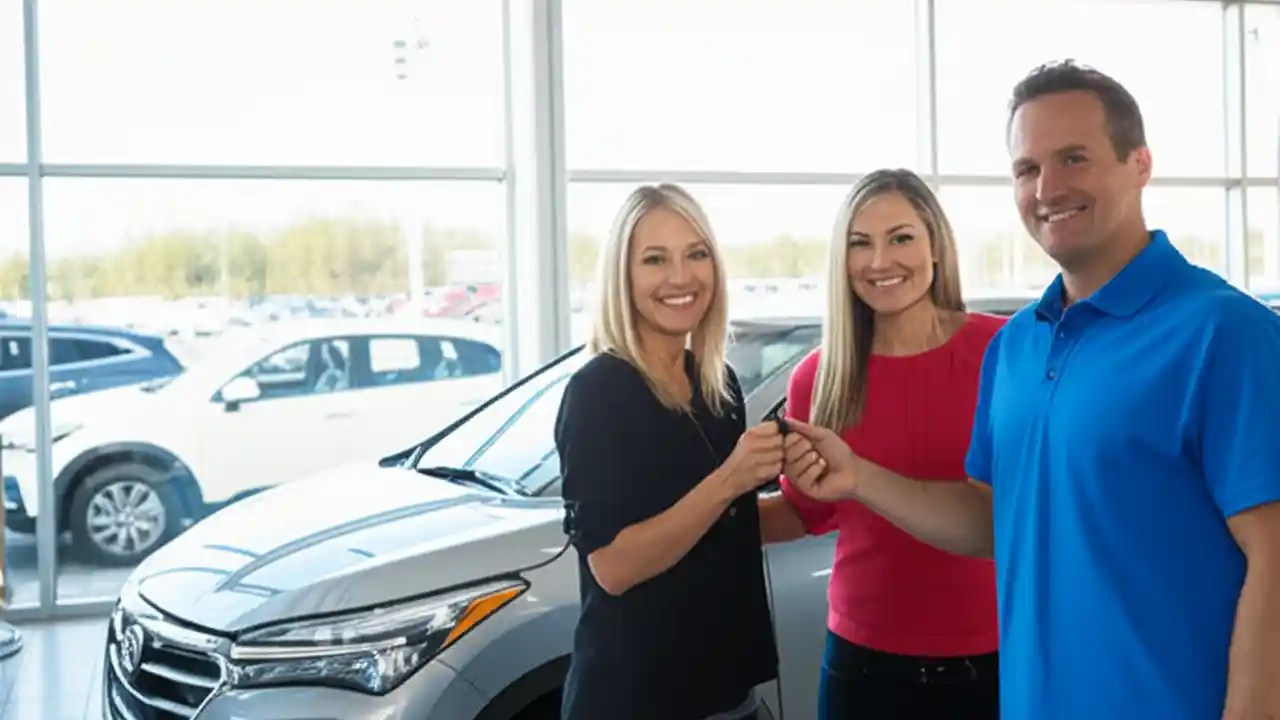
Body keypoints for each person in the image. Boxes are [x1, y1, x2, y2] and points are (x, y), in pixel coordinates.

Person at [781, 59, 1280, 720]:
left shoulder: (1226, 332)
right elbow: (990, 518)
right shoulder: (1017, 346)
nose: (1048, 187)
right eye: (1027, 168)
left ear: (1140, 163)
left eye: (1074, 159)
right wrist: (858, 479)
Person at [757, 168, 1004, 719]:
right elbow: (807, 513)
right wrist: (703, 506)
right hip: (863, 668)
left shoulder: (1004, 352)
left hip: (998, 658)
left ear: (936, 247)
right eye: (859, 243)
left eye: (901, 238)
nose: (879, 261)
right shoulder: (818, 378)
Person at [555, 183, 781, 720]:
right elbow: (613, 565)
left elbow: (726, 525)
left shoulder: (716, 384)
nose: (681, 277)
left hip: (728, 696)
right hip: (636, 699)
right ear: (623, 277)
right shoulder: (598, 393)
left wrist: (819, 489)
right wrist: (731, 477)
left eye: (696, 254)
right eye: (656, 259)